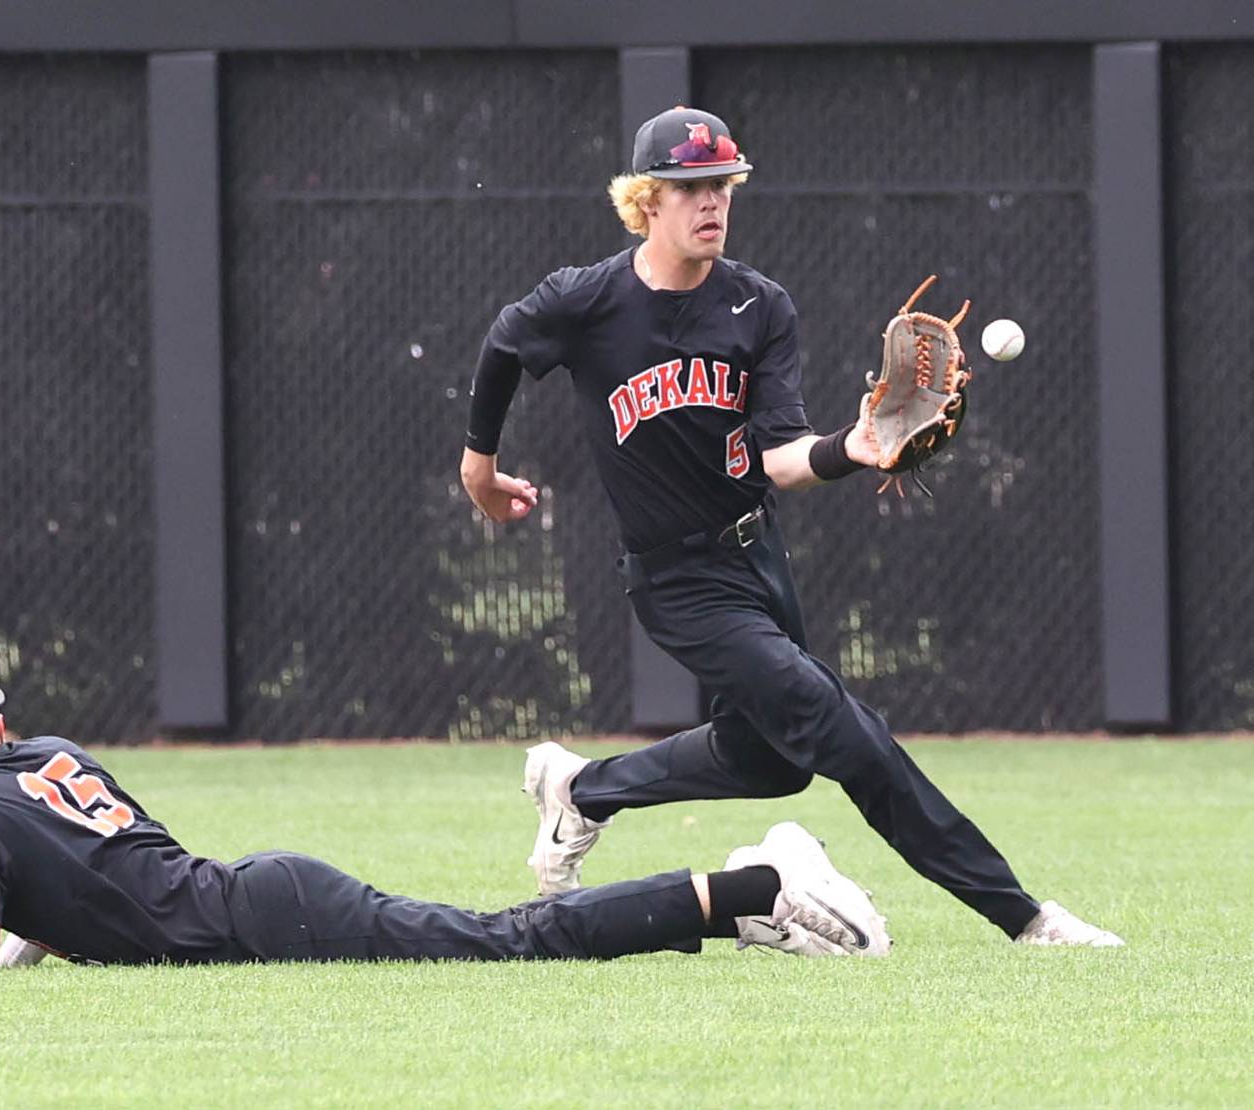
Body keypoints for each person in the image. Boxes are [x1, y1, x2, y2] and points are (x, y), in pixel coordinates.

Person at [459, 106, 1120, 949]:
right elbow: (504, 345)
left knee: (772, 761)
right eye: (692, 187)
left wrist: (856, 446)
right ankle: (1025, 918)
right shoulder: (585, 300)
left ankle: (582, 791)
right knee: (851, 735)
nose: (712, 202)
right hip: (676, 581)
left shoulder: (758, 306)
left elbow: (780, 456)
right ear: (646, 200)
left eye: (723, 185)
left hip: (757, 561)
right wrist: (478, 466)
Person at [0, 658, 892, 971]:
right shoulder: (48, 753)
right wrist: (38, 941)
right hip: (253, 894)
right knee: (501, 938)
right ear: (2, 720)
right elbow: (83, 888)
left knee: (509, 941)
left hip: (262, 918)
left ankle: (756, 887)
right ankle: (748, 890)